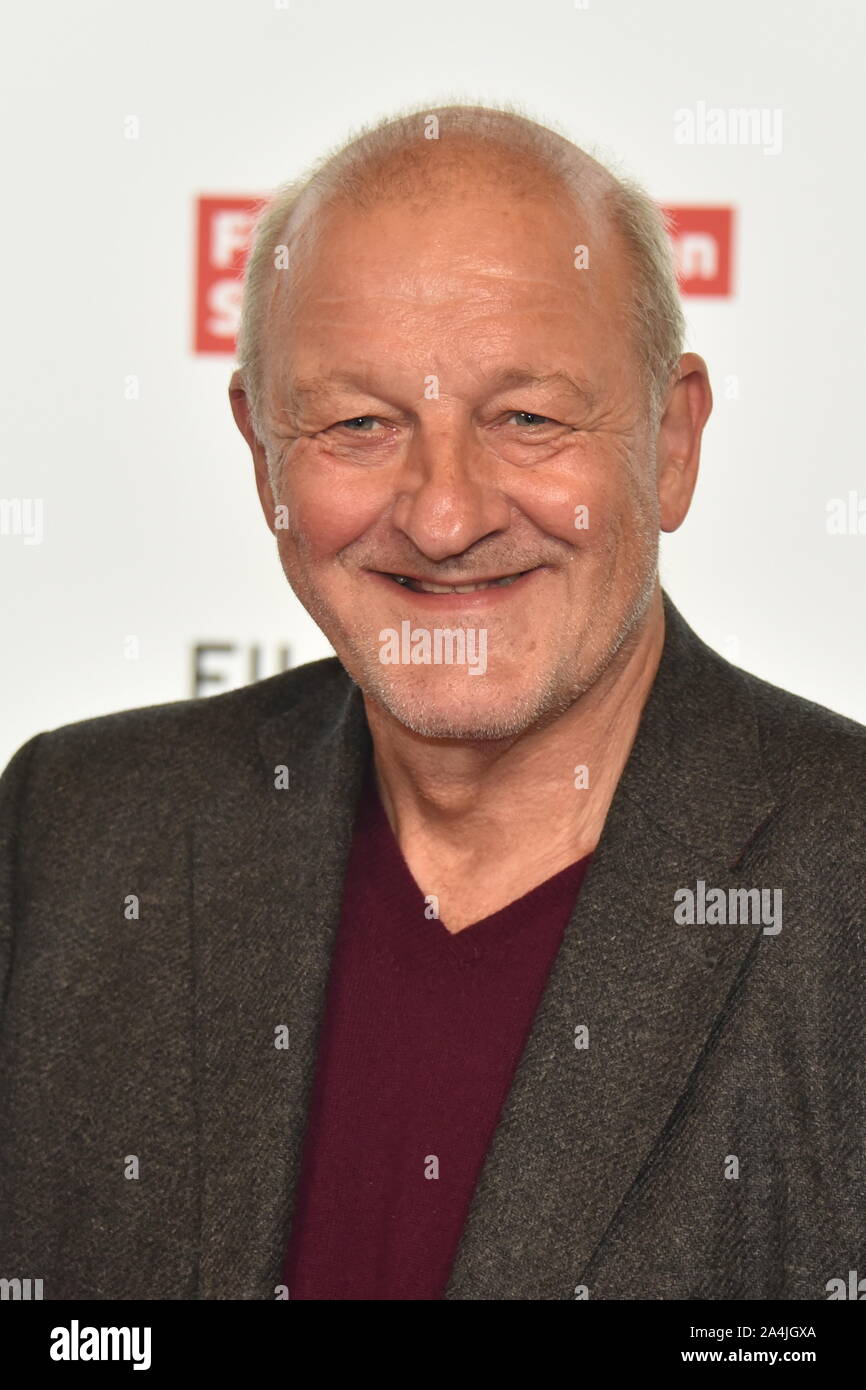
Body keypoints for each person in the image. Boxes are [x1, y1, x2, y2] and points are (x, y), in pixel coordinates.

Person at [1, 103, 863, 1301]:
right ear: (262, 457)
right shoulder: (76, 834)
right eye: (357, 424)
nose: (444, 515)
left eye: (527, 419)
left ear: (669, 443)